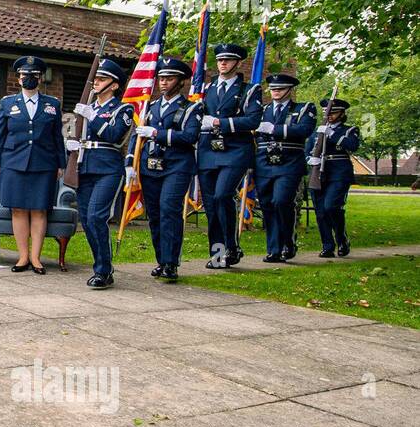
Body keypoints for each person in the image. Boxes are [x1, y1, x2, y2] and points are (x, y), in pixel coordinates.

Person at [128, 56, 201, 282]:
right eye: (161, 78)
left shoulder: (191, 108)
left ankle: (171, 262)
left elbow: (190, 136)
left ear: (181, 82)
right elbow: (136, 135)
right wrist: (130, 162)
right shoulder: (150, 107)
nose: (163, 82)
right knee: (156, 215)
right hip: (151, 167)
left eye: (169, 78)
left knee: (169, 209)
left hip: (176, 165)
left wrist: (157, 134)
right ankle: (161, 260)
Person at [0, 55, 66, 275]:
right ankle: (23, 256)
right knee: (18, 209)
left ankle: (36, 257)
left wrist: (60, 164)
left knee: (39, 210)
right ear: (18, 78)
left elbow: (57, 137)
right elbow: (0, 134)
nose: (29, 78)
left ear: (40, 77)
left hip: (44, 163)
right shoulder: (7, 103)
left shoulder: (52, 105)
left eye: (33, 75)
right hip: (13, 162)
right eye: (25, 75)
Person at [66, 59, 134, 288]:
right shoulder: (89, 107)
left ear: (114, 85)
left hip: (108, 169)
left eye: (102, 79)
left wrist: (91, 117)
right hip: (84, 168)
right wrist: (73, 144)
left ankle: (103, 270)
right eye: (95, 79)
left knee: (97, 217)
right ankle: (101, 265)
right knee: (86, 220)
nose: (96, 83)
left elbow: (114, 135)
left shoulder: (123, 109)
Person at [197, 42, 262, 268]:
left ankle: (232, 245)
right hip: (208, 150)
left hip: (235, 150)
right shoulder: (207, 89)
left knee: (222, 196)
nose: (222, 63)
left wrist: (219, 122)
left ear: (238, 63)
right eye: (220, 60)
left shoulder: (249, 90)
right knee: (211, 205)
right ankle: (217, 255)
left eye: (228, 60)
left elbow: (253, 120)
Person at [254, 73, 316, 262]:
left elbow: (304, 130)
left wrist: (274, 129)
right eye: (273, 89)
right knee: (267, 205)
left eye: (280, 89)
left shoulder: (303, 109)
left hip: (289, 162)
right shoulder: (263, 110)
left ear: (290, 90)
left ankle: (288, 240)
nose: (276, 92)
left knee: (281, 201)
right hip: (264, 161)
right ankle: (274, 248)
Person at [306, 97, 360, 257]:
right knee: (320, 211)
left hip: (338, 172)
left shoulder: (349, 130)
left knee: (331, 207)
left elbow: (352, 146)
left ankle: (341, 238)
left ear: (342, 114)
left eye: (333, 113)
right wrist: (309, 158)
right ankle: (327, 245)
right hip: (318, 173)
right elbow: (308, 149)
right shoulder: (317, 131)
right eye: (327, 113)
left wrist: (332, 134)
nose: (329, 116)